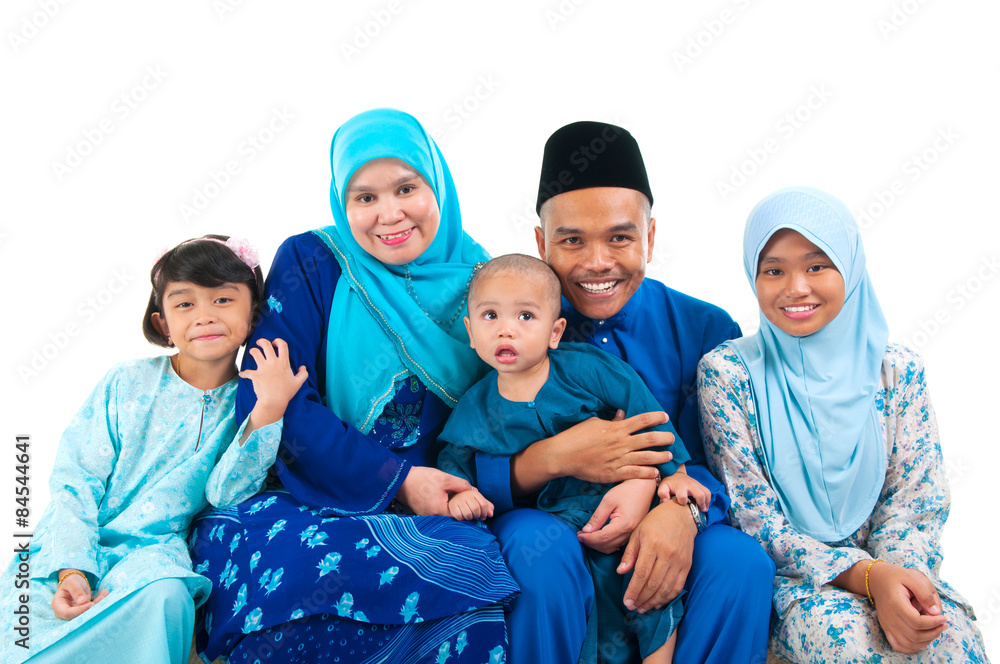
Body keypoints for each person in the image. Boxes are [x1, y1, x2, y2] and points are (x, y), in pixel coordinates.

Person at [187, 108, 518, 663]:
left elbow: (515, 403)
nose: (388, 214)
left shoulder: (490, 281)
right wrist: (400, 481)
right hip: (304, 491)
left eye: (406, 187)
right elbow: (274, 397)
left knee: (471, 577)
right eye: (364, 197)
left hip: (444, 498)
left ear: (437, 183)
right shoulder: (312, 260)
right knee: (295, 569)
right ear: (342, 200)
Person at [471, 121, 775, 663]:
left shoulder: (704, 329)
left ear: (651, 237)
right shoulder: (508, 321)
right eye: (571, 240)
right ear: (540, 243)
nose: (596, 262)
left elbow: (729, 466)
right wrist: (552, 457)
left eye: (619, 237)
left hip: (672, 505)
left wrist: (679, 509)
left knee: (740, 563)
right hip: (545, 517)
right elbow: (471, 448)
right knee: (538, 552)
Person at [697, 186, 989, 662]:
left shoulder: (896, 371)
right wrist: (868, 578)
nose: (795, 288)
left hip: (899, 570)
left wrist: (900, 582)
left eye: (817, 266)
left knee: (952, 642)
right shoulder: (729, 374)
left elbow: (914, 504)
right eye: (774, 270)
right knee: (854, 645)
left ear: (850, 268)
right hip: (795, 584)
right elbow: (755, 520)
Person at [0, 234, 296, 664]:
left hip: (154, 554)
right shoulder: (125, 382)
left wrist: (269, 408)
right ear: (162, 323)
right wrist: (72, 569)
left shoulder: (249, 401)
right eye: (184, 304)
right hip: (72, 547)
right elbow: (75, 480)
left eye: (223, 300)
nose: (205, 316)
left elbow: (225, 495)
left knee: (168, 599)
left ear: (253, 315)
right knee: (28, 633)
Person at [439, 254, 711, 664]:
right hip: (560, 527)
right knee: (583, 600)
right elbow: (454, 465)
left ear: (555, 331)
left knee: (652, 594)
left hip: (620, 502)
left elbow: (647, 418)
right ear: (471, 332)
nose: (506, 329)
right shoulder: (474, 409)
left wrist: (676, 475)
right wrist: (459, 496)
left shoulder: (586, 370)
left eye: (526, 316)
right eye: (490, 315)